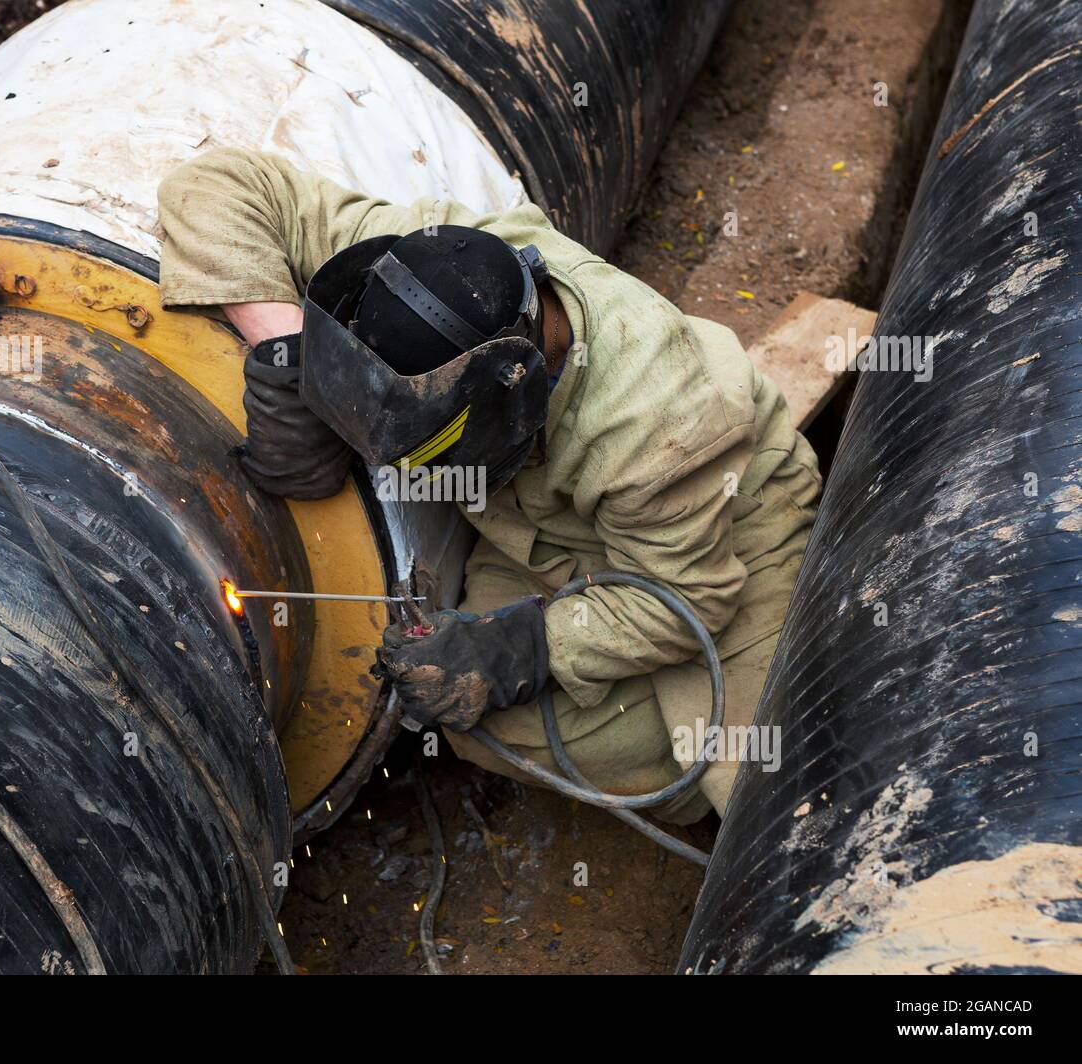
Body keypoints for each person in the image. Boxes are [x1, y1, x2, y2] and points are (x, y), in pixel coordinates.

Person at [158, 148, 820, 822]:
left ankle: (684, 778)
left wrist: (520, 648)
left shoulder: (660, 423)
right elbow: (212, 184)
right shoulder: (427, 269)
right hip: (548, 528)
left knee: (755, 783)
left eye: (424, 453)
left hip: (717, 544)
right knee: (469, 721)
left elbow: (690, 599)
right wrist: (295, 362)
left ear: (513, 396)